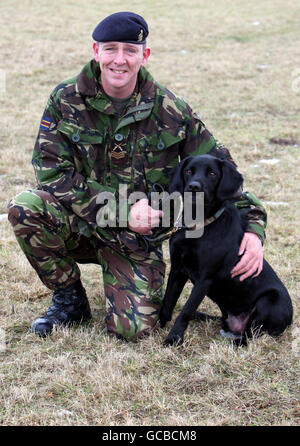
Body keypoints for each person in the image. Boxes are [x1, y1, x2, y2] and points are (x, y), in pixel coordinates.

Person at [7, 12, 267, 340]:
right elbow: (51, 170)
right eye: (111, 49)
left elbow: (220, 171)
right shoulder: (65, 100)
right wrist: (122, 212)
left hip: (135, 242)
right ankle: (69, 300)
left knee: (133, 330)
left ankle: (125, 284)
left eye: (130, 50)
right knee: (26, 207)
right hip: (81, 225)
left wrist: (254, 229)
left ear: (144, 56)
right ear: (96, 51)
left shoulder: (171, 109)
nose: (120, 59)